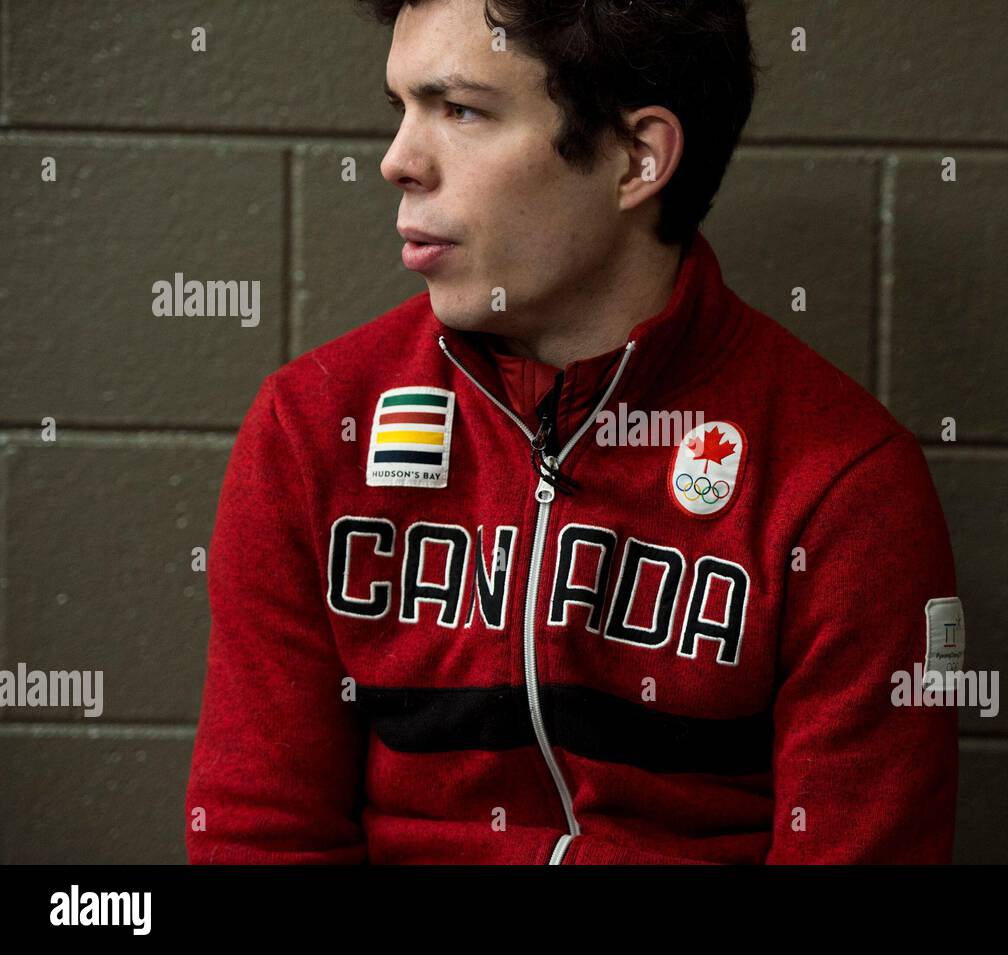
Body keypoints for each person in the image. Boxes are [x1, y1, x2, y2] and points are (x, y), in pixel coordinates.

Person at [184, 0, 965, 865]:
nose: (397, 161)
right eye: (400, 108)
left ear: (638, 159)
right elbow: (263, 834)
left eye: (461, 110)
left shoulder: (842, 485)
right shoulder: (314, 427)